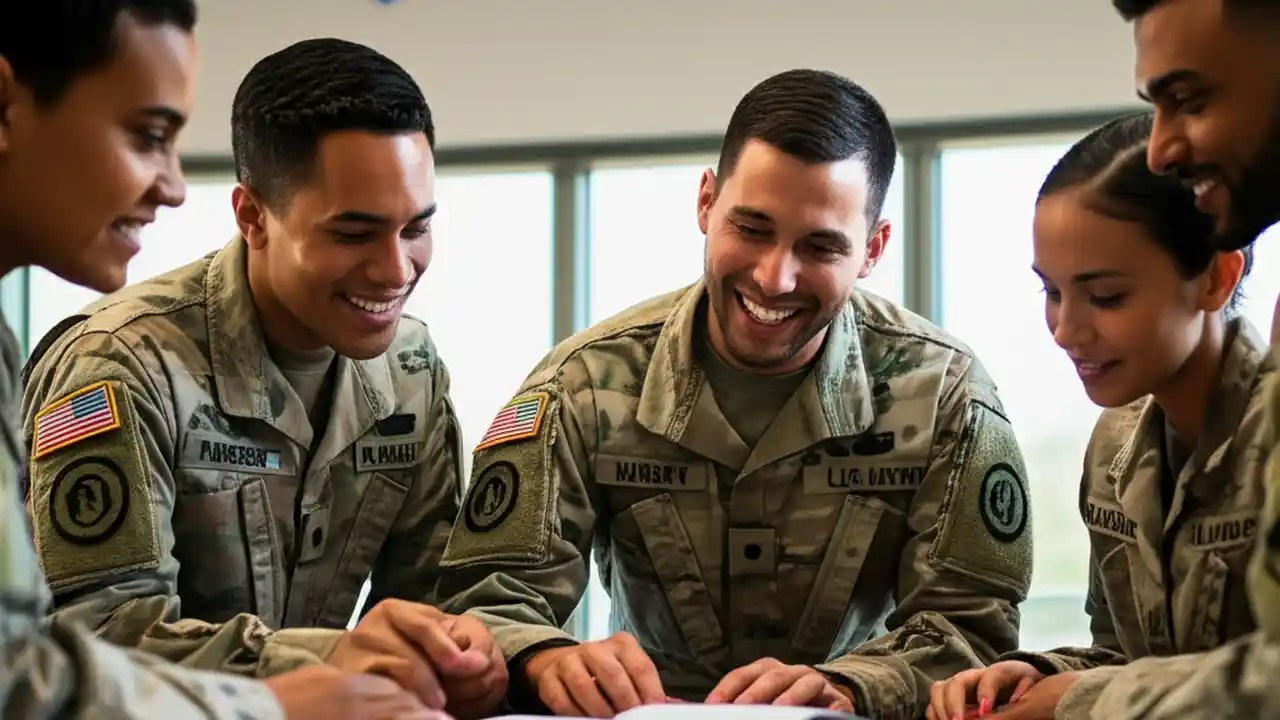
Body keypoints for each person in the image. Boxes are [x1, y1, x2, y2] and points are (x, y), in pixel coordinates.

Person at [436, 68, 1034, 720]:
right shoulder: (587, 384)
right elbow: (483, 601)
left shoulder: (946, 396)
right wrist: (544, 657)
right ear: (705, 203)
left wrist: (853, 686)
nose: (775, 277)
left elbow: (971, 632)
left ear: (873, 248)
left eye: (820, 246)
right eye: (751, 229)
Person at [18, 35, 504, 719]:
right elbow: (97, 633)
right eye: (354, 234)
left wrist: (465, 650)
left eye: (416, 228)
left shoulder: (410, 370)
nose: (397, 271)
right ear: (252, 216)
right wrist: (322, 661)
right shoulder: (123, 365)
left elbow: (434, 594)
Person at [924, 112, 1268, 720]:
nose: (1065, 330)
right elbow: (1129, 657)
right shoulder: (1115, 446)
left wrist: (1083, 698)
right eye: (1051, 293)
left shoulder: (1269, 436)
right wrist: (1035, 675)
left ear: (1217, 277)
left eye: (1106, 296)